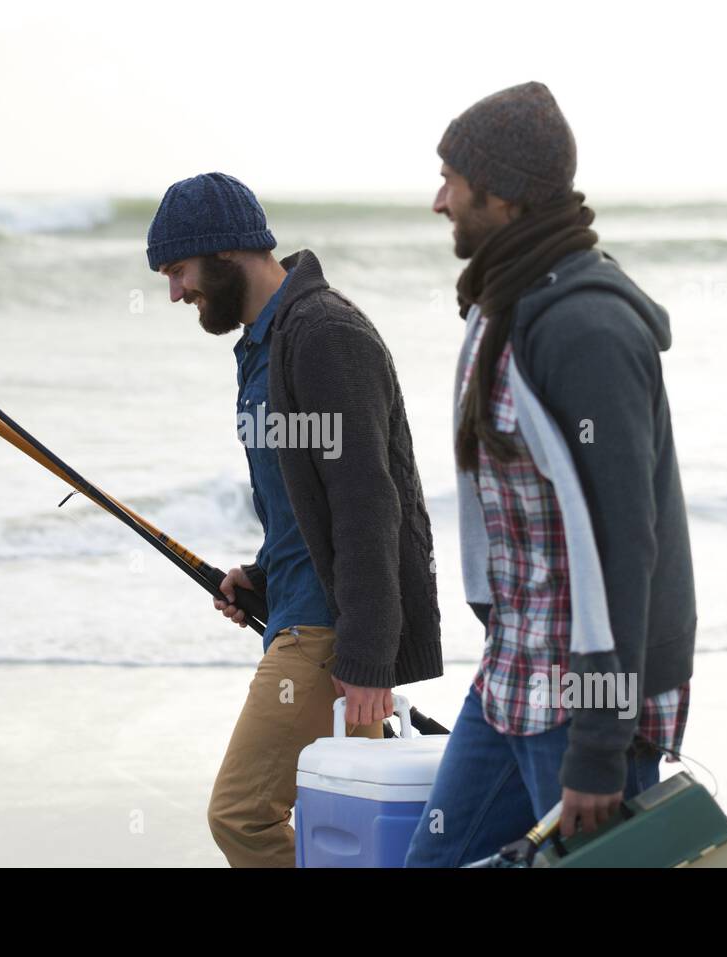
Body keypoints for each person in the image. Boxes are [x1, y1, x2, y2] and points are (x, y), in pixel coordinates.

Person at [406, 82, 696, 867]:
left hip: (581, 703)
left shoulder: (585, 327)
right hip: (509, 677)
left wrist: (601, 745)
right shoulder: (505, 304)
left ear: (500, 196)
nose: (439, 200)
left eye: (452, 180)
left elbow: (623, 545)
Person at [147, 172, 442, 867]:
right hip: (305, 610)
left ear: (224, 253)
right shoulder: (266, 344)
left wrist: (367, 655)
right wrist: (264, 574)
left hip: (329, 632)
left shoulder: (322, 335)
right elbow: (304, 501)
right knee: (351, 827)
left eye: (179, 270)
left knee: (242, 814)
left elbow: (369, 503)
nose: (174, 292)